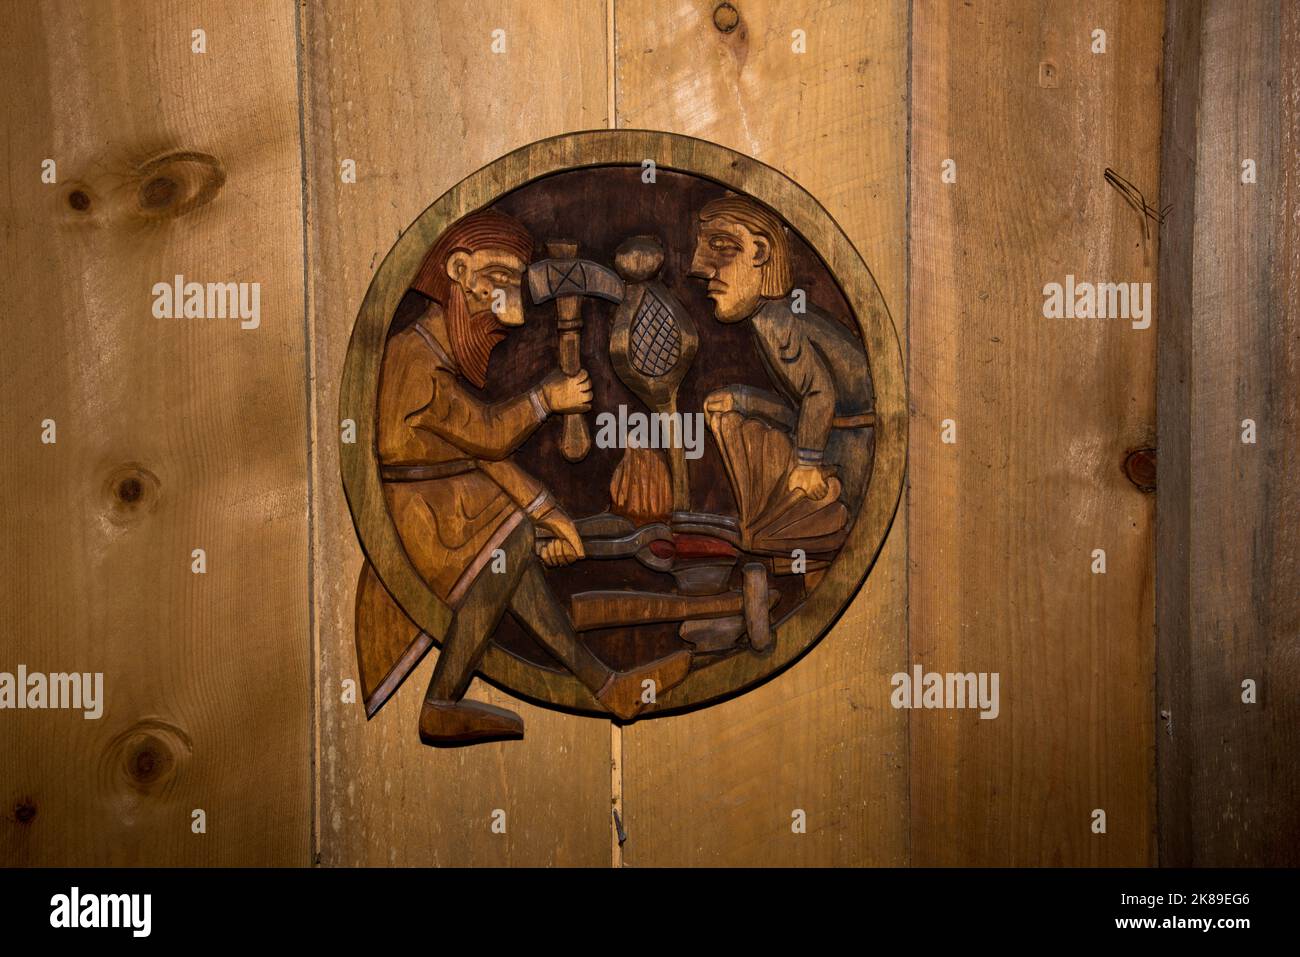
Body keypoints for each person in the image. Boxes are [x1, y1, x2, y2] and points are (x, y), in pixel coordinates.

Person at [355, 209, 689, 745]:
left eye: (515, 283)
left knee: (514, 560)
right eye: (499, 282)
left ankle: (605, 686)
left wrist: (548, 513)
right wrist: (545, 399)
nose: (511, 310)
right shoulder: (412, 362)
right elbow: (486, 435)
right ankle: (442, 699)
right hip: (424, 525)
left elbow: (479, 455)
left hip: (452, 512)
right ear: (458, 270)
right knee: (508, 549)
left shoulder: (434, 355)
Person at [686, 197, 875, 557]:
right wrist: (741, 398)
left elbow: (820, 395)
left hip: (853, 452)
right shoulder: (769, 319)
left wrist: (807, 463)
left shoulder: (778, 322)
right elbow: (802, 410)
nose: (701, 268)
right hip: (843, 442)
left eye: (722, 248)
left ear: (759, 252)